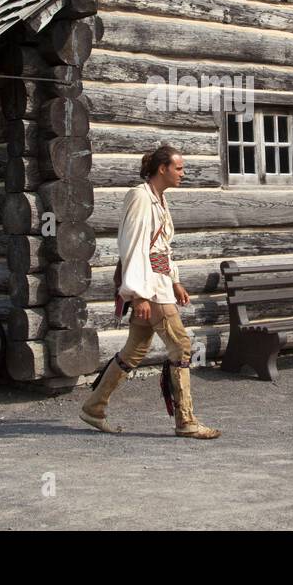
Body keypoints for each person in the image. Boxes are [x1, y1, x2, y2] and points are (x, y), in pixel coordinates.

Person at [80, 145, 221, 439]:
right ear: (162, 169)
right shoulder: (141, 197)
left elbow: (160, 249)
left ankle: (94, 407)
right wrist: (138, 294)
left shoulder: (159, 199)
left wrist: (175, 280)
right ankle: (186, 421)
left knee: (135, 350)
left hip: (159, 284)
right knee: (182, 346)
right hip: (150, 290)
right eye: (179, 168)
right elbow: (132, 247)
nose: (183, 173)